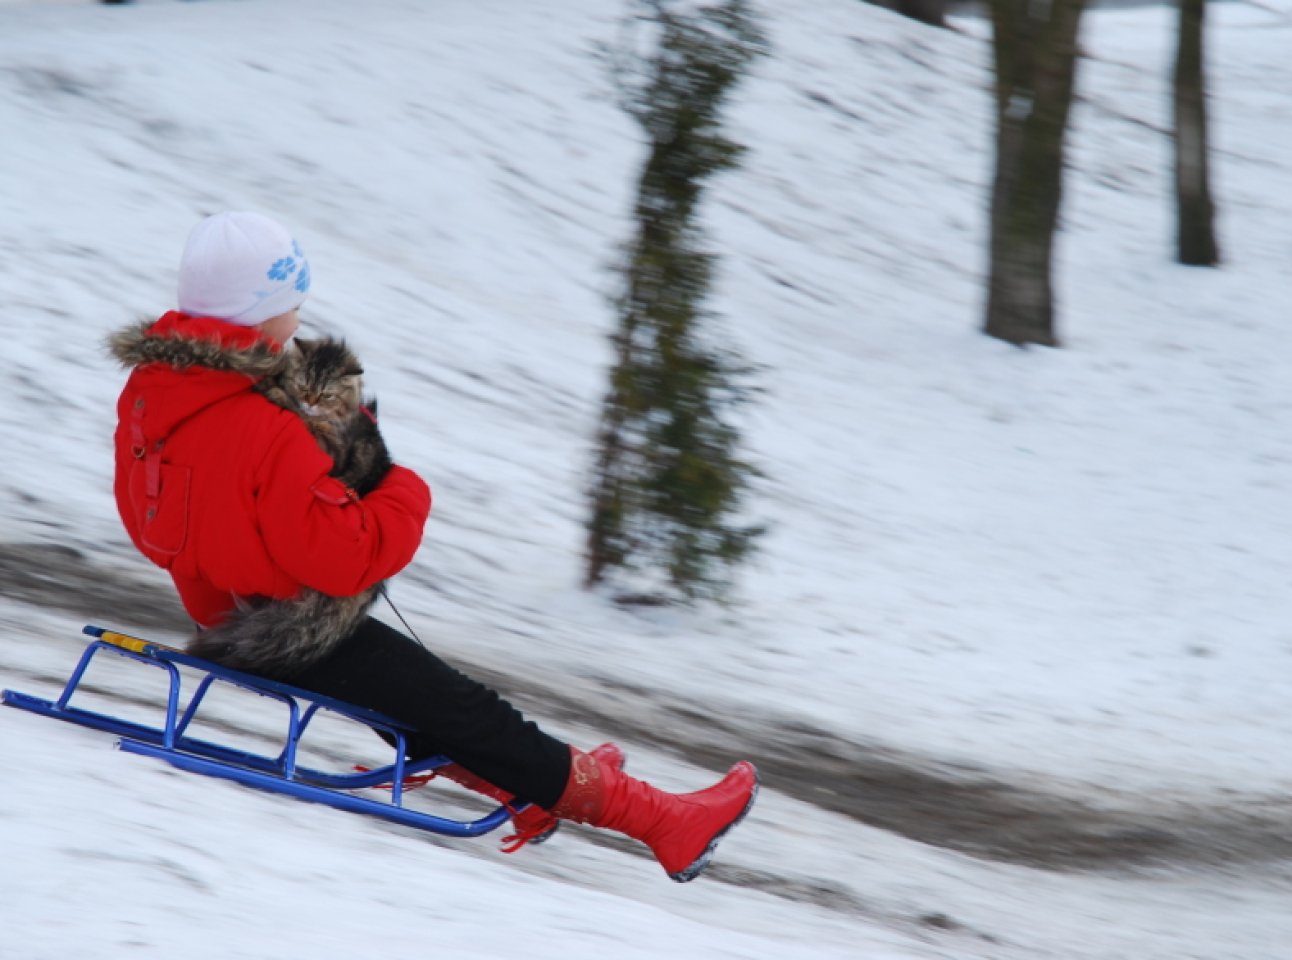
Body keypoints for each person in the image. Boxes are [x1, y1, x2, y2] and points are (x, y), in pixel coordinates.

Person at [109, 210, 758, 882]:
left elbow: (150, 514)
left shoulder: (156, 392)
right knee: (472, 712)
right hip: (281, 630)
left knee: (415, 690)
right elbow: (342, 559)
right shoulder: (265, 423)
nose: (298, 322)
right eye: (289, 306)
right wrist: (400, 491)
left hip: (220, 609)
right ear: (257, 313)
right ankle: (664, 821)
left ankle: (524, 786)